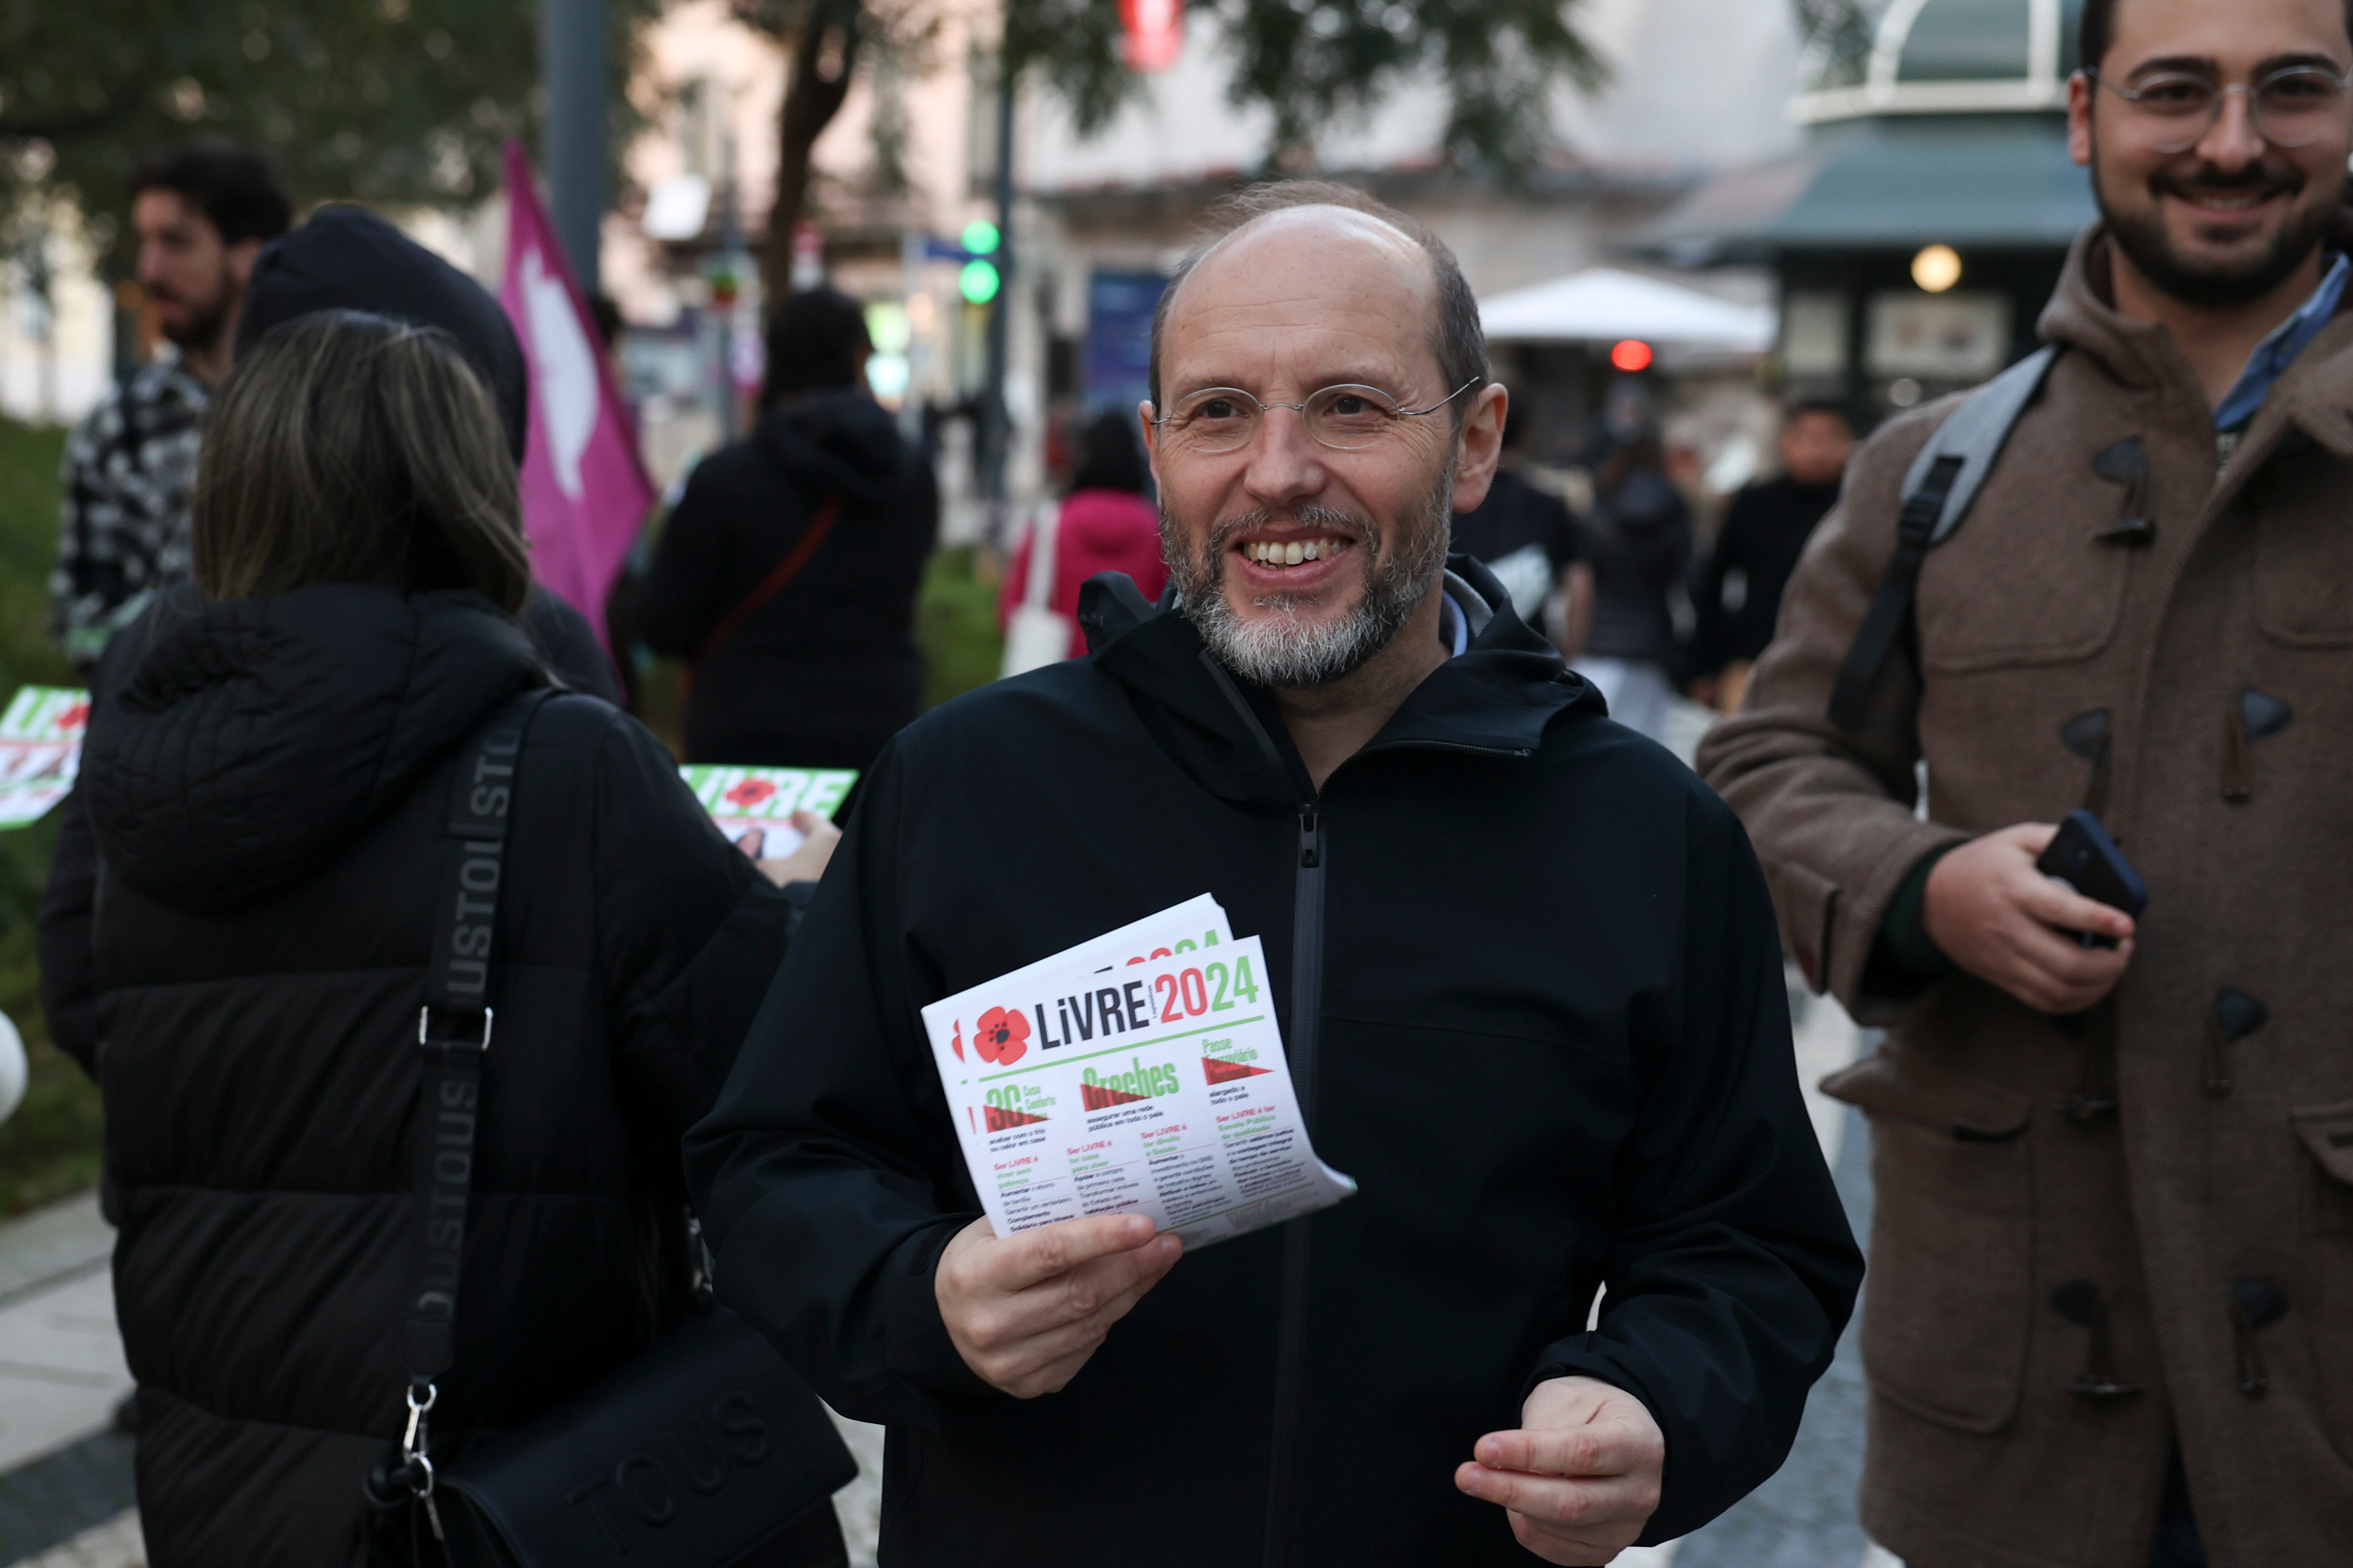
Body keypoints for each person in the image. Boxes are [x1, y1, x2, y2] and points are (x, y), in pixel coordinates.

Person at [685, 180, 1861, 1567]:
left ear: (1475, 441)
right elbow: (776, 1164)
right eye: (1221, 411)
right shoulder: (964, 787)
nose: (1279, 470)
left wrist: (1652, 1400)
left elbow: (1750, 1248)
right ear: (1155, 447)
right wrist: (918, 1292)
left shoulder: (1647, 837)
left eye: (1352, 407)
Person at [1697, 0, 2353, 1562]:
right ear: (2082, 116)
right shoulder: (1935, 469)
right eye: (2175, 90)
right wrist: (1921, 887)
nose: (2232, 142)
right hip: (2015, 1388)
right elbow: (1765, 766)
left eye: (2295, 89)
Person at [73, 309, 834, 1565]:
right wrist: (807, 897)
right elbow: (767, 1064)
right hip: (487, 1498)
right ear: (465, 489)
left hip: (220, 1487)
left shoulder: (150, 780)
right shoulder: (565, 761)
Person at [38, 204, 624, 1073]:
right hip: (469, 1191)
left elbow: (81, 979)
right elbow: (656, 987)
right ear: (457, 436)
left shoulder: (150, 651)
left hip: (198, 1201)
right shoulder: (535, 649)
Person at [640, 286, 940, 771]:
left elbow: (664, 626)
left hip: (744, 749)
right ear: (860, 357)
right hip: (879, 738)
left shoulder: (725, 480)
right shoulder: (912, 478)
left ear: (773, 361)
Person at [51, 144, 291, 672]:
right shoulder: (118, 429)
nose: (150, 269)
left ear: (246, 258)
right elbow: (79, 627)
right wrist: (177, 629)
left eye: (175, 243)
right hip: (160, 734)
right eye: (146, 242)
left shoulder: (318, 411)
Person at [1689, 400, 1854, 714]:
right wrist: (1707, 663)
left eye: (1829, 439)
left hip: (1838, 661)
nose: (1817, 450)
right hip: (1755, 656)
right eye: (1807, 438)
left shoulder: (1859, 506)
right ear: (1786, 441)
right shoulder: (1754, 503)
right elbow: (1712, 582)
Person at [998, 408, 1169, 660]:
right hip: (1134, 675)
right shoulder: (1156, 528)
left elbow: (1011, 608)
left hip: (1059, 676)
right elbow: (1168, 610)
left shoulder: (1052, 522)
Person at [1574, 433, 1694, 743]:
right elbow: (1686, 579)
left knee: (1594, 740)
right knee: (1647, 743)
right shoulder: (1676, 507)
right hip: (1653, 641)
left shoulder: (1605, 504)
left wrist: (1574, 643)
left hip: (1602, 640)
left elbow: (1584, 580)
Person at [1448, 399, 1590, 654]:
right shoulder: (1547, 505)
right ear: (1527, 432)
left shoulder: (1450, 503)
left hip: (1458, 651)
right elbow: (1578, 583)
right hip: (1526, 656)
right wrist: (1571, 652)